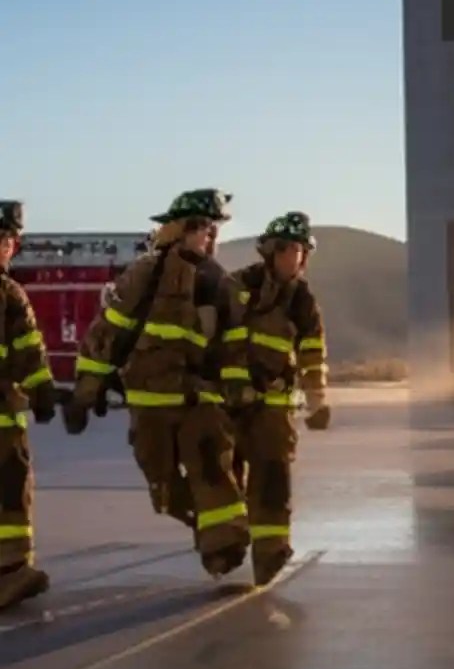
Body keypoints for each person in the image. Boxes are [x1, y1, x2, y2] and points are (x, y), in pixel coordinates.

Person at [64, 189, 254, 579]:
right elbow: (107, 333)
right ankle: (207, 526)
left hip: (199, 403)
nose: (210, 236)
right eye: (202, 227)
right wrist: (85, 393)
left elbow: (234, 349)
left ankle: (224, 545)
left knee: (213, 473)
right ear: (178, 229)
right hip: (148, 405)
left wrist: (240, 395)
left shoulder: (220, 284)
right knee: (164, 488)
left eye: (214, 228)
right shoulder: (144, 276)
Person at [228, 211, 329, 586]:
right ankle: (226, 540)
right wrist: (235, 385)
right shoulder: (239, 286)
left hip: (273, 405)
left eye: (300, 251)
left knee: (273, 475)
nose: (293, 258)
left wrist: (318, 401)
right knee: (224, 473)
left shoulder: (302, 300)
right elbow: (223, 337)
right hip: (230, 401)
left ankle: (270, 550)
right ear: (269, 252)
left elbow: (312, 352)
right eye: (286, 249)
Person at [0, 199, 59, 609]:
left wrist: (41, 390)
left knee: (11, 484)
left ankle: (12, 570)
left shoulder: (9, 293)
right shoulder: (8, 293)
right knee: (9, 484)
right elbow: (28, 351)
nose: (5, 247)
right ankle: (10, 571)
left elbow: (27, 350)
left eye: (8, 240)